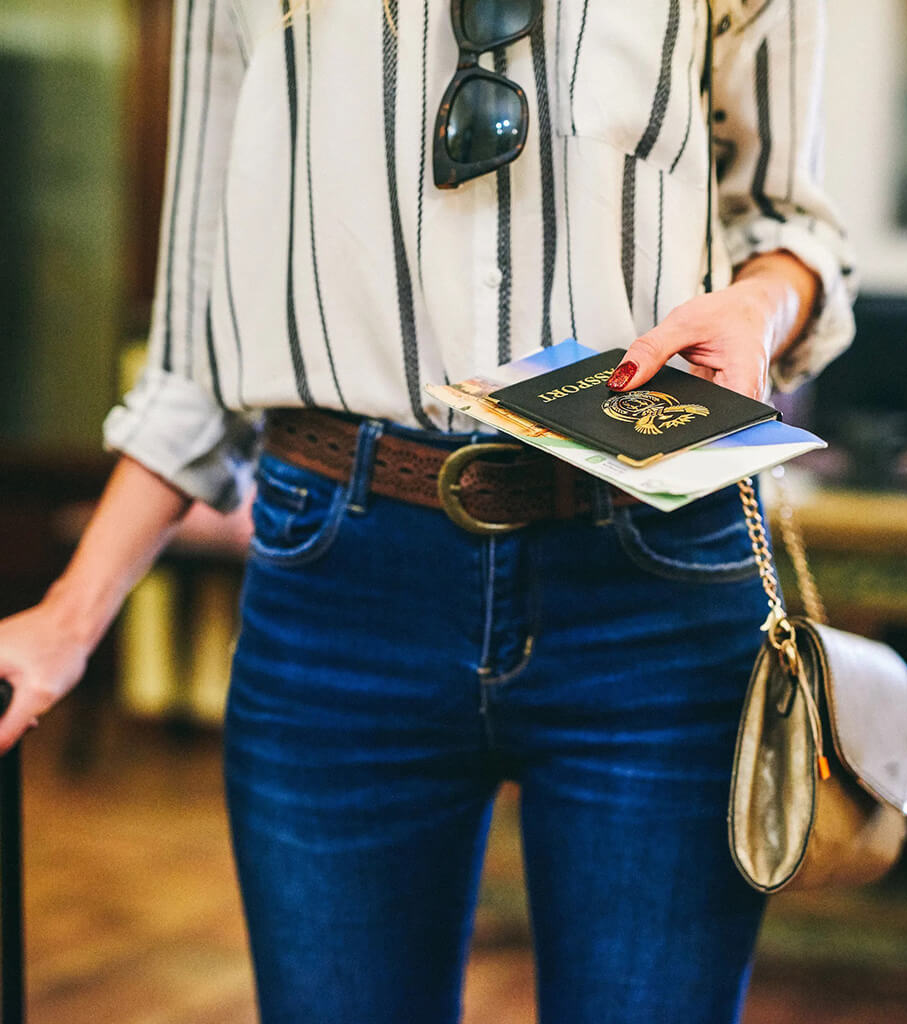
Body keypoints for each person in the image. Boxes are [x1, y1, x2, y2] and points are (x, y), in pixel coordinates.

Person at [0, 0, 855, 1020]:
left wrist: (757, 308)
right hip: (340, 588)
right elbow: (197, 352)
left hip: (654, 578)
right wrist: (68, 616)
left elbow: (790, 228)